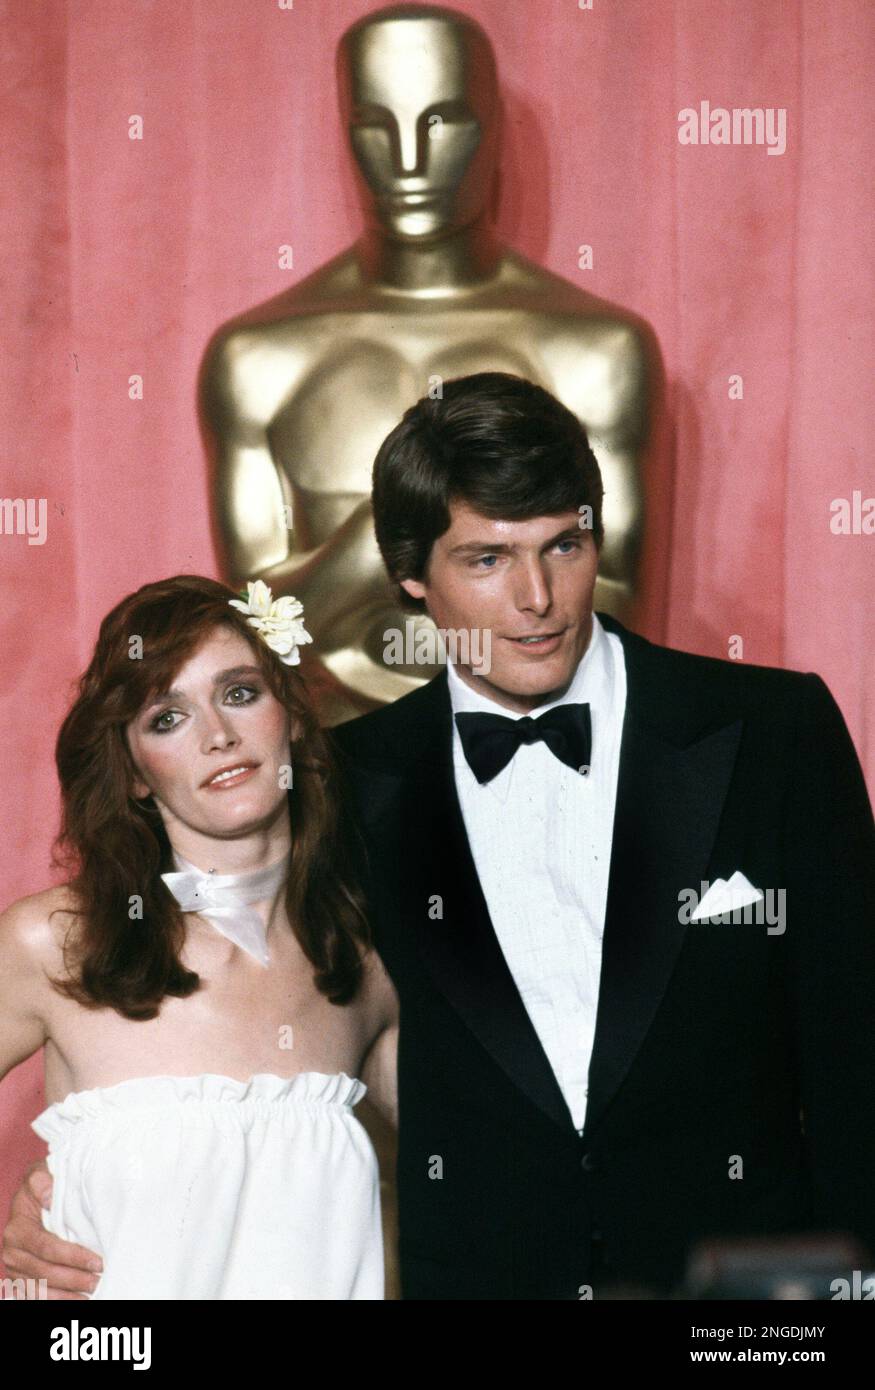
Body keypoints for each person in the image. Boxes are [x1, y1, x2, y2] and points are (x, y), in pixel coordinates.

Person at [6, 373, 875, 1299]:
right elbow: (243, 1042)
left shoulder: (773, 730)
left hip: (744, 1312)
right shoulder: (340, 787)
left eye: (563, 546)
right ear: (411, 576)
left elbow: (855, 1051)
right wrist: (72, 1191)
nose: (537, 597)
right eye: (487, 560)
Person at [0, 575, 397, 1299]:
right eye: (166, 718)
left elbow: (493, 1177)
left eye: (240, 693)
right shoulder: (54, 943)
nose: (217, 735)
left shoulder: (367, 964)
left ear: (294, 717)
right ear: (136, 777)